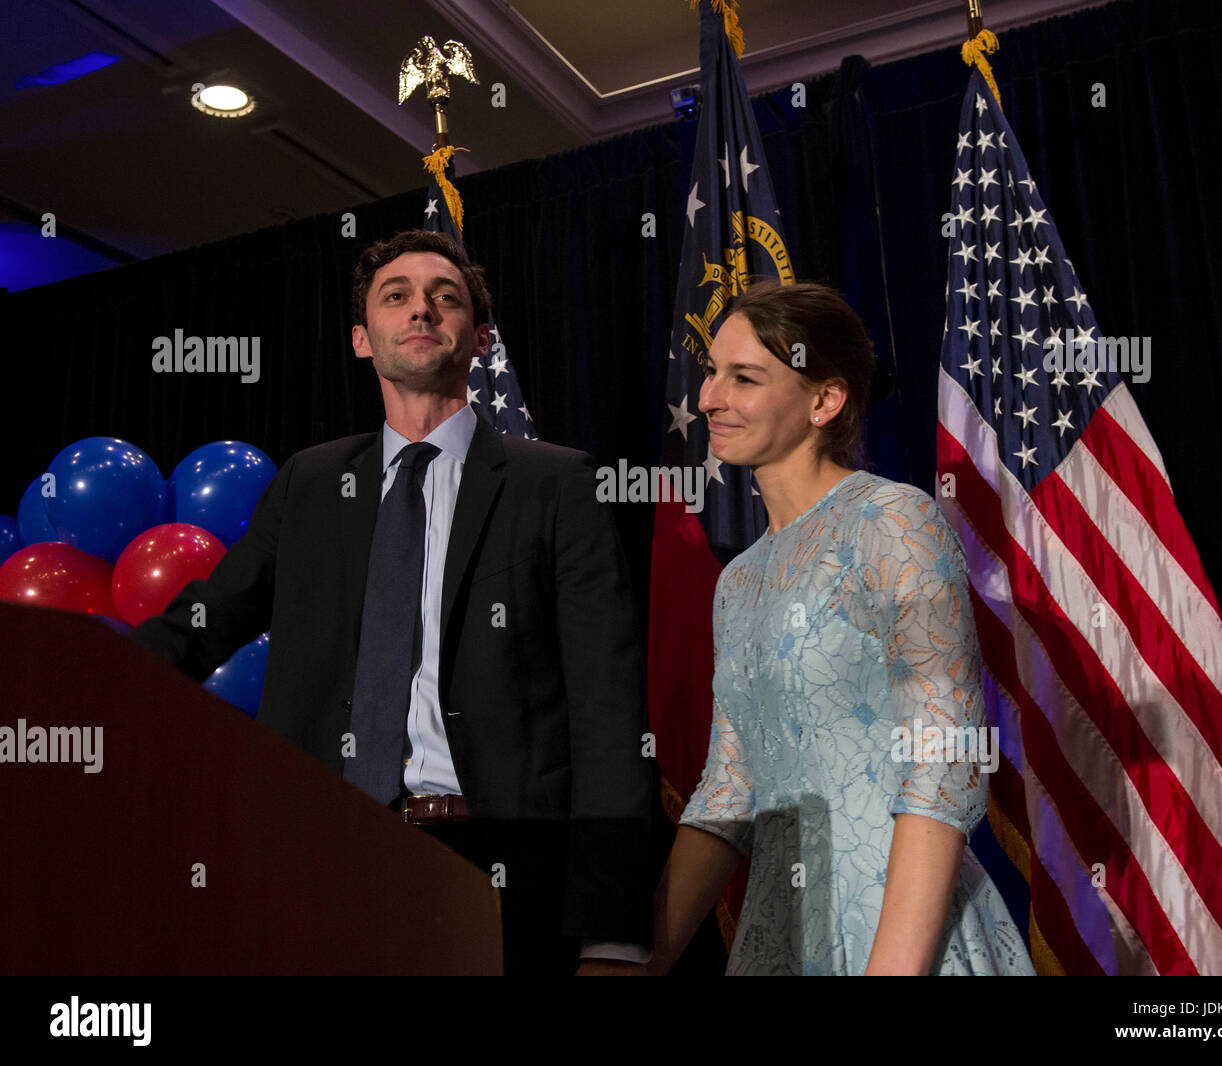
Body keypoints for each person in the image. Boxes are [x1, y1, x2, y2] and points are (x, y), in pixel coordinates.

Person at [130, 229, 654, 975]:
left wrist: (613, 933)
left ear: (479, 338)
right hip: (322, 859)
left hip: (500, 870)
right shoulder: (309, 484)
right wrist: (68, 678)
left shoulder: (557, 484)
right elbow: (202, 625)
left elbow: (608, 710)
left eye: (447, 300)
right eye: (397, 297)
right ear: (359, 338)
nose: (423, 311)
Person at [648, 280, 1035, 976]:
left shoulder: (892, 520)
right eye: (711, 374)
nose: (708, 397)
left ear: (824, 400)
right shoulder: (737, 581)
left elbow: (944, 758)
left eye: (744, 378)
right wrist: (639, 959)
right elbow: (729, 789)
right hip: (781, 937)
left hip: (903, 936)